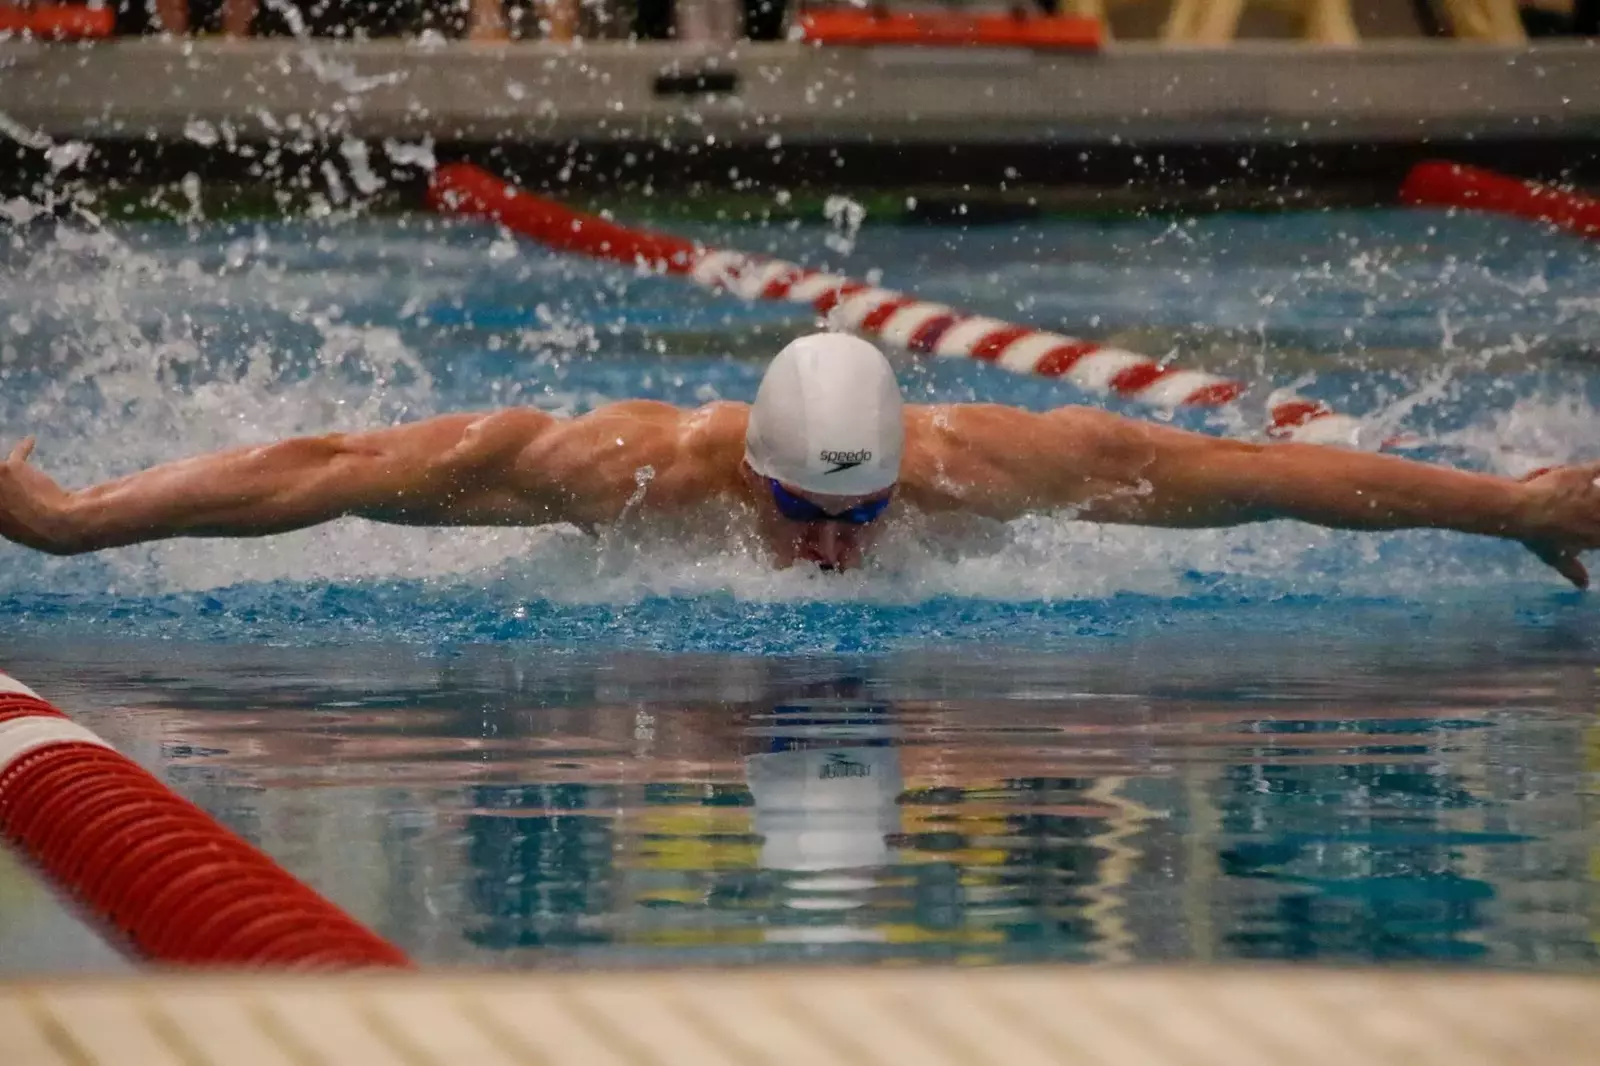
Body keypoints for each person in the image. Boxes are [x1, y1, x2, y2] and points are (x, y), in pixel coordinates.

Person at [3, 333, 1600, 583]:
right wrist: (73, 519)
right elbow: (331, 466)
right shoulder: (623, 467)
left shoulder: (1000, 462)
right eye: (799, 511)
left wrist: (1516, 504)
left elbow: (1267, 478)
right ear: (746, 475)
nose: (832, 547)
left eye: (861, 512)